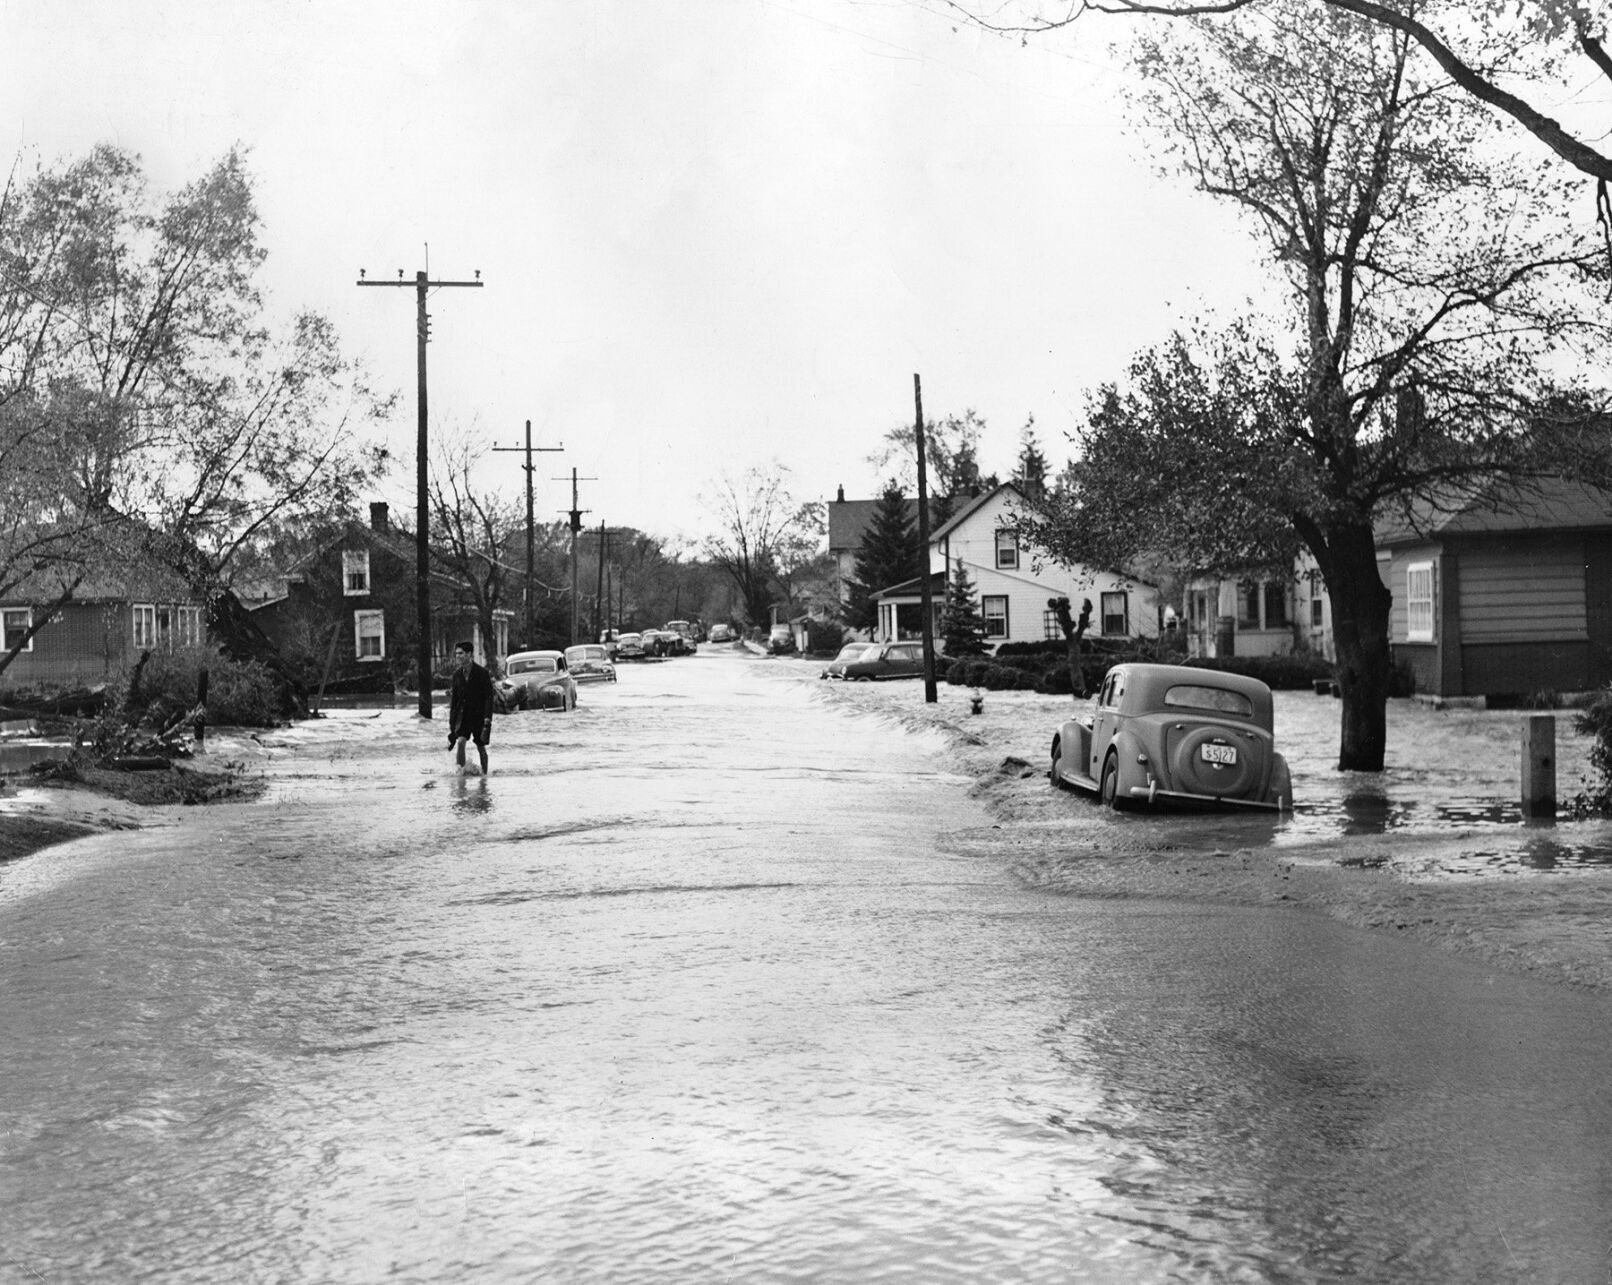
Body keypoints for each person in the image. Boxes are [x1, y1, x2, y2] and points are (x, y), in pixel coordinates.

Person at [447, 640, 495, 776]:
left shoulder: (482, 673)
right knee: (461, 742)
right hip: (463, 716)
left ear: (469, 654)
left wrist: (487, 719)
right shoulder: (456, 675)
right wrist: (452, 723)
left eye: (460, 653)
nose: (457, 656)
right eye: (456, 654)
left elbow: (488, 698)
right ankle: (460, 774)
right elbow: (454, 701)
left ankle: (485, 776)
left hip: (479, 716)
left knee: (481, 747)